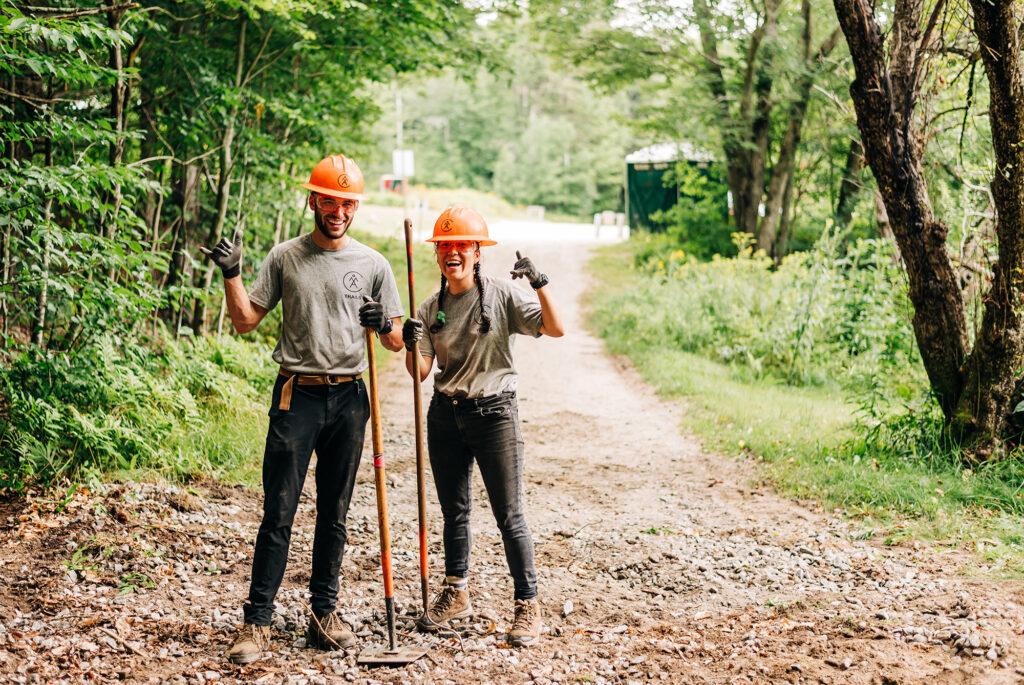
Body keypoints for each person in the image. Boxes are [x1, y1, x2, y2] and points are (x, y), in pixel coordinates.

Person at [201, 154, 405, 664]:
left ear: (354, 207)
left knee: (334, 513)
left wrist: (384, 324)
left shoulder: (373, 264)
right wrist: (232, 274)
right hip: (298, 395)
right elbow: (247, 320)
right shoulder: (285, 257)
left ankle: (323, 616)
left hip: (350, 398)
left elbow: (398, 342)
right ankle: (257, 624)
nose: (337, 210)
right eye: (329, 200)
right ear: (313, 200)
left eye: (347, 203)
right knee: (279, 512)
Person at [401, 205, 564, 647]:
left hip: (495, 414)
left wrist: (539, 283)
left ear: (477, 252)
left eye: (462, 246)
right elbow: (418, 372)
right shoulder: (431, 306)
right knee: (455, 512)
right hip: (445, 414)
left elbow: (555, 327)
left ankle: (527, 603)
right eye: (445, 246)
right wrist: (407, 342)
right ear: (437, 254)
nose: (452, 253)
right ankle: (456, 593)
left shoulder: (501, 296)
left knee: (509, 515)